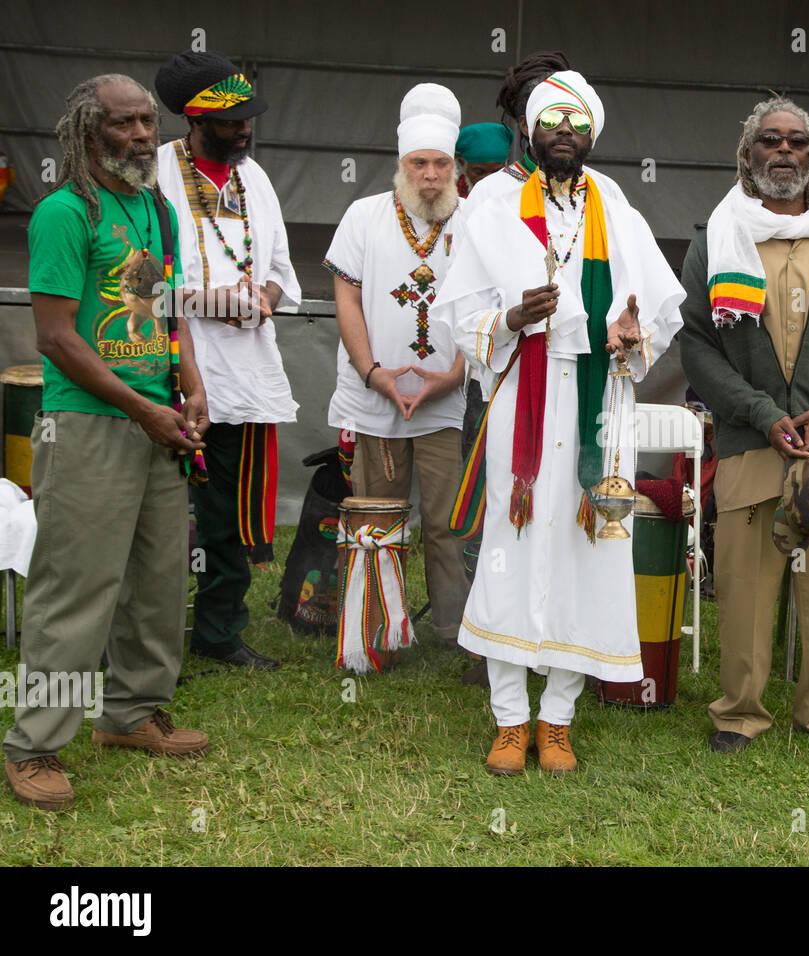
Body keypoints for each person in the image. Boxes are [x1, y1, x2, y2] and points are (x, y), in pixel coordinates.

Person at [435, 71, 684, 775]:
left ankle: (559, 718)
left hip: (602, 402)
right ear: (533, 132)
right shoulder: (493, 205)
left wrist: (633, 336)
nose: (564, 132)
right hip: (526, 394)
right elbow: (459, 313)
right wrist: (513, 318)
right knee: (515, 543)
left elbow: (659, 308)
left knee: (592, 547)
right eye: (551, 121)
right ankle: (510, 720)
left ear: (592, 133)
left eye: (577, 122)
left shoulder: (616, 206)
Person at [5, 74, 209, 811]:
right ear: (90, 132)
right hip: (90, 424)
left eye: (149, 122)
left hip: (157, 419)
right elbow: (56, 337)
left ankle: (130, 715)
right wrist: (141, 410)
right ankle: (34, 746)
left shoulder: (155, 208)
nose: (143, 136)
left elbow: (162, 311)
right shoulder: (64, 214)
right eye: (125, 124)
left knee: (156, 582)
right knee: (76, 588)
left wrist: (189, 386)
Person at [680, 96, 809, 755]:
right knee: (744, 592)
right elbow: (695, 346)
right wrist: (762, 413)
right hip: (752, 443)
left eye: (796, 142)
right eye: (769, 141)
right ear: (747, 156)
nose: (783, 152)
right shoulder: (717, 238)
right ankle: (739, 715)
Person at [154, 51, 303, 671]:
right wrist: (207, 300)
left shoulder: (256, 179)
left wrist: (262, 300)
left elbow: (279, 270)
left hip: (244, 373)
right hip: (166, 366)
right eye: (231, 120)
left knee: (229, 512)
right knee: (160, 507)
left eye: (249, 118)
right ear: (195, 119)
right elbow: (137, 281)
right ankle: (148, 637)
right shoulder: (155, 174)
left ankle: (219, 630)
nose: (244, 129)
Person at [324, 83, 469, 643]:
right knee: (374, 516)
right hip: (374, 397)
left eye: (440, 163)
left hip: (448, 400)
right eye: (419, 163)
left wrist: (454, 375)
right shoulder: (364, 216)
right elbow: (346, 297)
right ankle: (371, 628)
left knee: (447, 523)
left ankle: (455, 633)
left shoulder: (475, 218)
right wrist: (373, 374)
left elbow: (489, 305)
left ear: (455, 167)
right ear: (401, 164)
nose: (430, 175)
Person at [460, 52, 626, 217]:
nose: (564, 128)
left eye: (576, 120)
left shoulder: (605, 190)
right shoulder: (491, 191)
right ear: (526, 123)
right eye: (551, 117)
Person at [456, 122, 511, 197]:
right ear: (462, 163)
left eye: (496, 172)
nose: (487, 180)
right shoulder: (450, 198)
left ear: (507, 163)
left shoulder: (518, 192)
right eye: (479, 172)